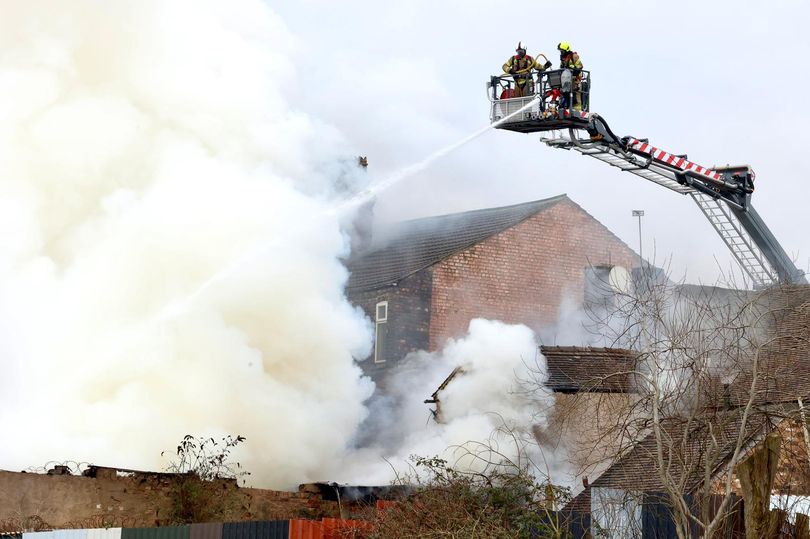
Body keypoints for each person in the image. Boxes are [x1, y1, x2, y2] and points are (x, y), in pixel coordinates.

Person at [557, 41, 584, 110]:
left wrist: (574, 70)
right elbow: (561, 69)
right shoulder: (563, 59)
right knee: (564, 93)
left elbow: (580, 66)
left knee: (576, 95)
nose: (561, 53)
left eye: (562, 51)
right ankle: (565, 106)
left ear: (566, 50)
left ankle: (577, 110)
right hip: (565, 80)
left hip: (575, 80)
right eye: (560, 51)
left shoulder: (574, 56)